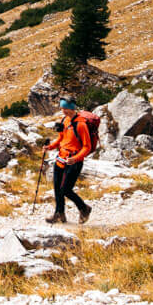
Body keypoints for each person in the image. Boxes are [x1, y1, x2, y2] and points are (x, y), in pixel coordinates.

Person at [44, 96, 92, 224]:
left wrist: (76, 158)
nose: (63, 110)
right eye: (62, 108)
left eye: (65, 108)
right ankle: (59, 214)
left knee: (65, 189)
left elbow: (87, 147)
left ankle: (84, 208)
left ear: (71, 108)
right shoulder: (65, 120)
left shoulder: (80, 124)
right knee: (57, 188)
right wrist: (51, 147)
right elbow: (61, 139)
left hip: (73, 162)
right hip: (60, 158)